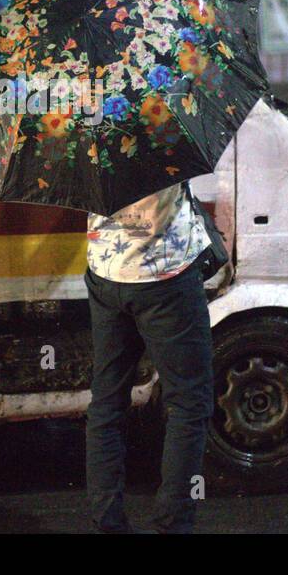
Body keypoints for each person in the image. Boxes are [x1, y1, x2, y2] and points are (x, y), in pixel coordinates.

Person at [84, 183, 214, 533]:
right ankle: (173, 525)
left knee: (107, 405)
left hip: (106, 271)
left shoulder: (77, 126)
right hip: (165, 276)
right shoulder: (163, 126)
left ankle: (108, 524)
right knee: (188, 403)